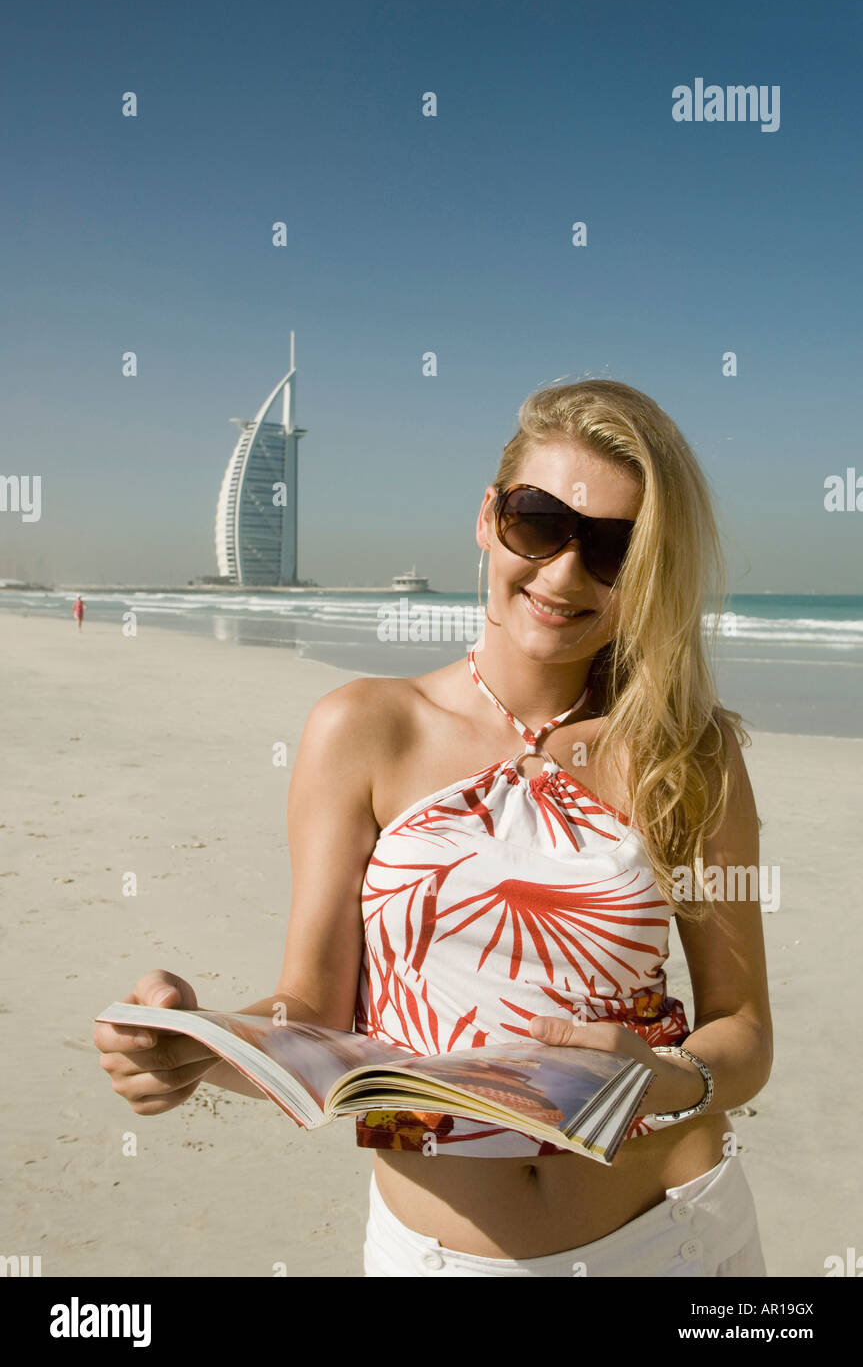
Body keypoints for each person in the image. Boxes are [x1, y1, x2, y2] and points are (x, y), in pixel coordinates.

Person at [93, 379, 772, 1277]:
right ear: (489, 517)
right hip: (442, 1257)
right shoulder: (366, 727)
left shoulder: (688, 750)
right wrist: (199, 1046)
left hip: (680, 1233)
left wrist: (669, 1078)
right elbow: (315, 1014)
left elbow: (743, 1030)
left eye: (613, 549)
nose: (564, 574)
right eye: (540, 522)